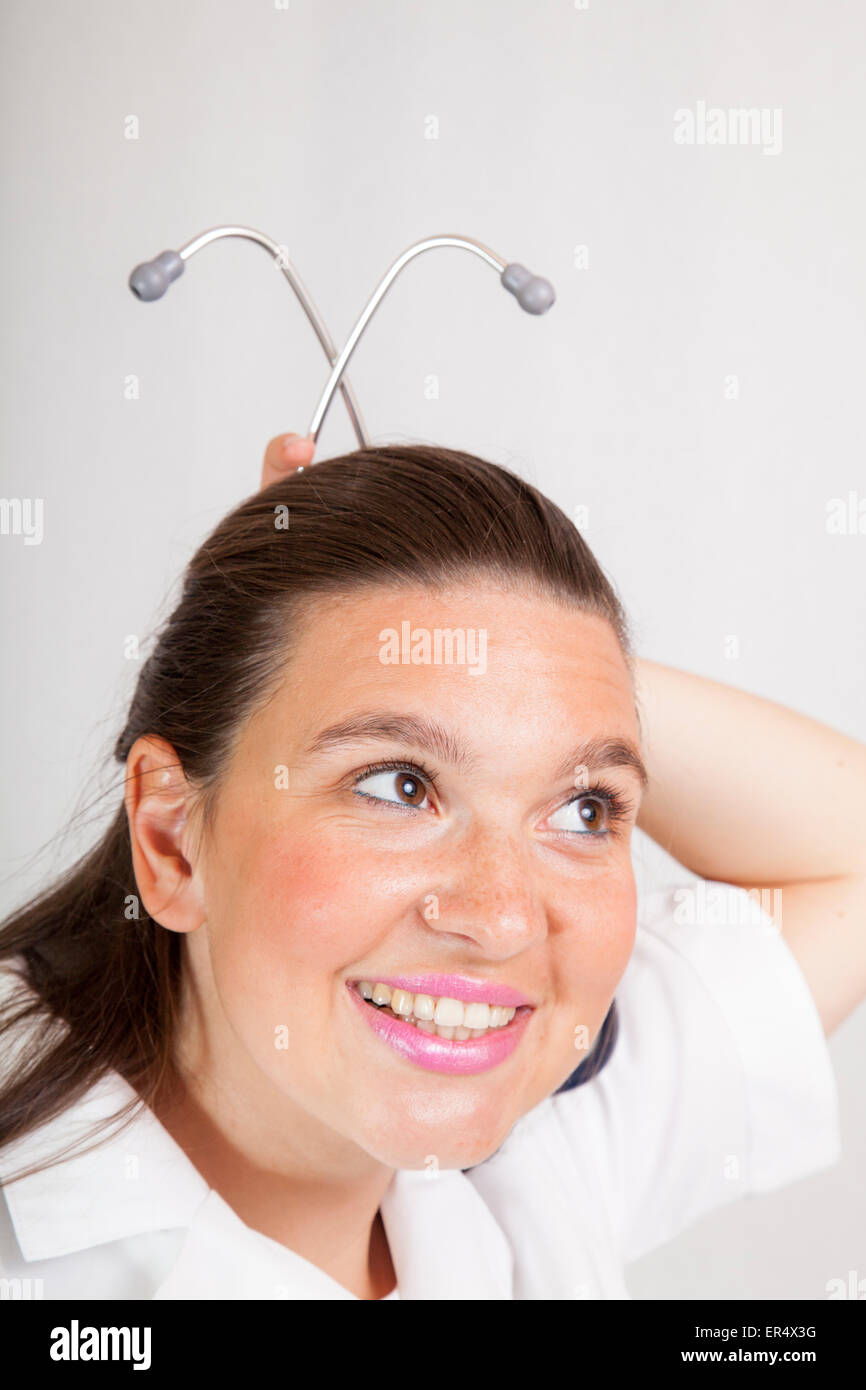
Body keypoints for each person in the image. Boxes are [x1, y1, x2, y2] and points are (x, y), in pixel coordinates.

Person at [0, 432, 862, 1300]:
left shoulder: (536, 1143)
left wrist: (515, 652)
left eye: (583, 808)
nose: (502, 920)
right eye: (398, 785)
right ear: (173, 839)